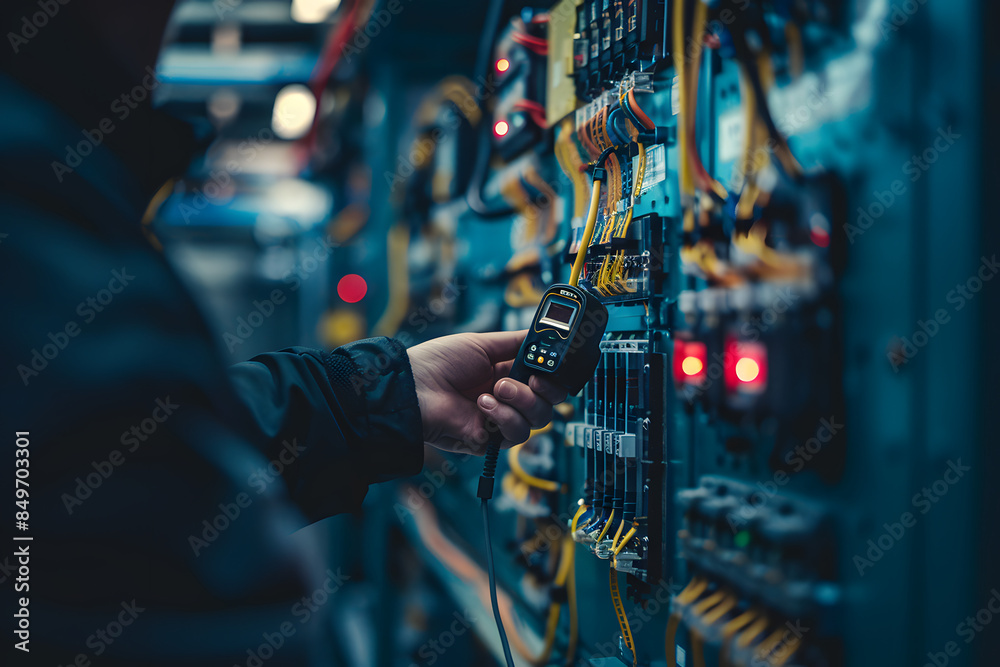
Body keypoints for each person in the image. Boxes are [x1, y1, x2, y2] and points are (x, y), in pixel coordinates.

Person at [0, 1, 564, 664]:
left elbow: (142, 437)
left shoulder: (49, 167)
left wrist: (385, 394)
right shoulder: (32, 194)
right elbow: (133, 555)